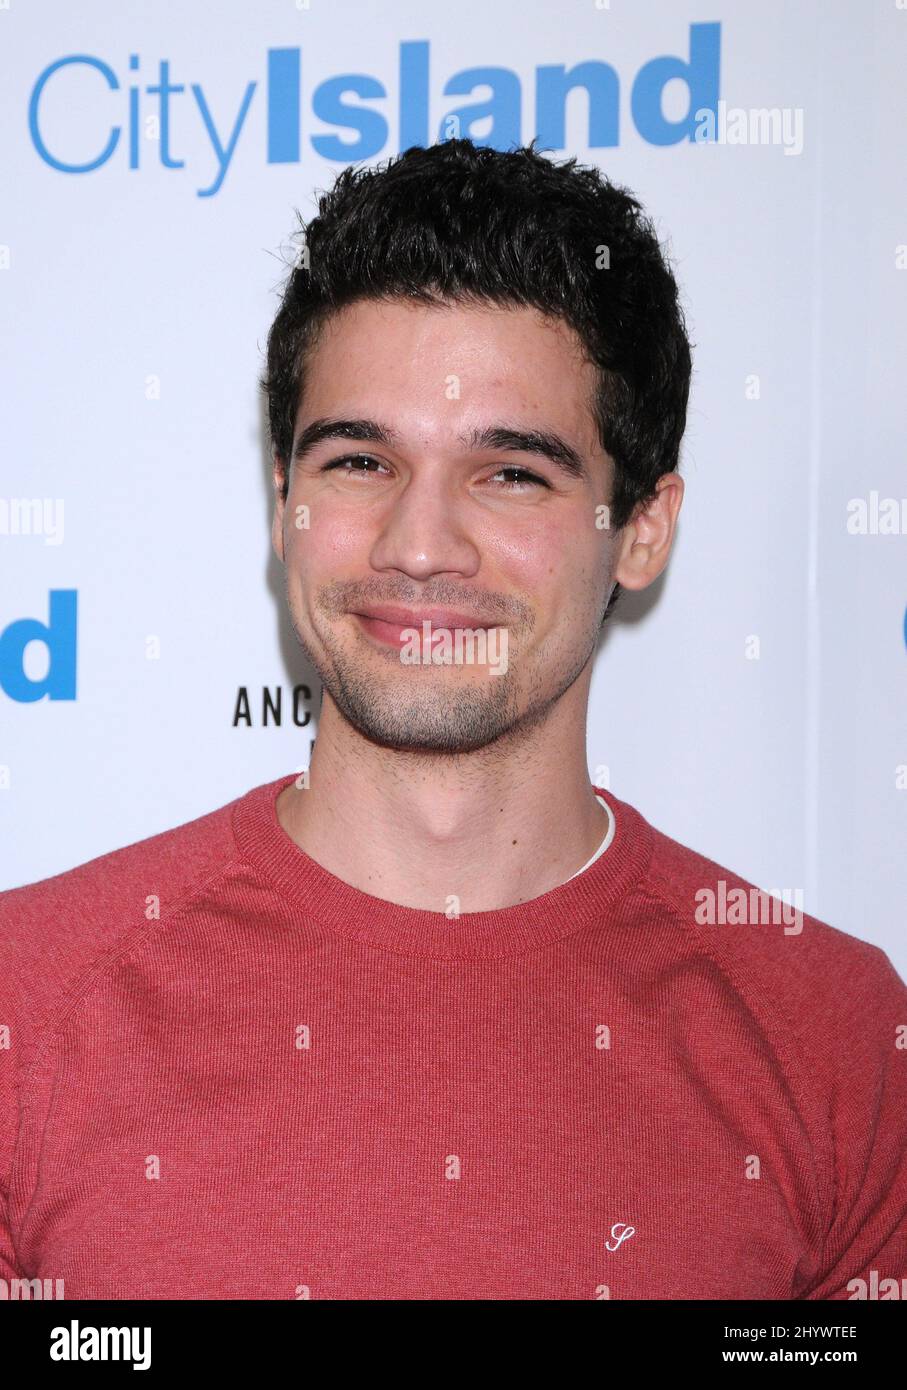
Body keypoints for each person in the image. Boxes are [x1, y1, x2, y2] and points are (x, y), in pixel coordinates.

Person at [1, 139, 904, 1302]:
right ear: (285, 504)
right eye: (361, 458)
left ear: (639, 528)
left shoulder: (834, 1036)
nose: (418, 545)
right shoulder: (29, 1007)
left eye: (510, 473)